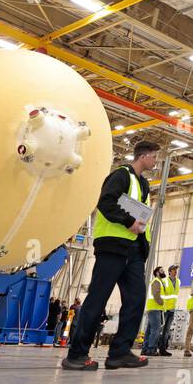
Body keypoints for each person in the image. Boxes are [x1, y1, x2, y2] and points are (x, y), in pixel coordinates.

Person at [62, 140, 160, 371]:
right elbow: (105, 201)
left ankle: (120, 352)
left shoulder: (143, 183)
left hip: (134, 251)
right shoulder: (121, 176)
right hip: (113, 248)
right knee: (97, 299)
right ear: (143, 156)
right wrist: (129, 222)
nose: (156, 161)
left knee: (136, 300)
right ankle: (76, 354)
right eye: (154, 156)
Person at [141, 266, 167, 357]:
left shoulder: (160, 281)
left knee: (149, 331)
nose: (163, 271)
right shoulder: (156, 281)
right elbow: (156, 294)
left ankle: (145, 349)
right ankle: (151, 349)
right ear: (157, 273)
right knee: (156, 329)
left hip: (154, 308)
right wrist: (161, 302)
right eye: (161, 270)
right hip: (155, 308)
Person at [157, 264, 179, 355]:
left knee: (166, 331)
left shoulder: (178, 281)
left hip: (172, 310)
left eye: (176, 269)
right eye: (174, 269)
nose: (175, 271)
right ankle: (153, 347)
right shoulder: (165, 280)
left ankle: (163, 349)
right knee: (159, 329)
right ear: (170, 271)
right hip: (165, 309)